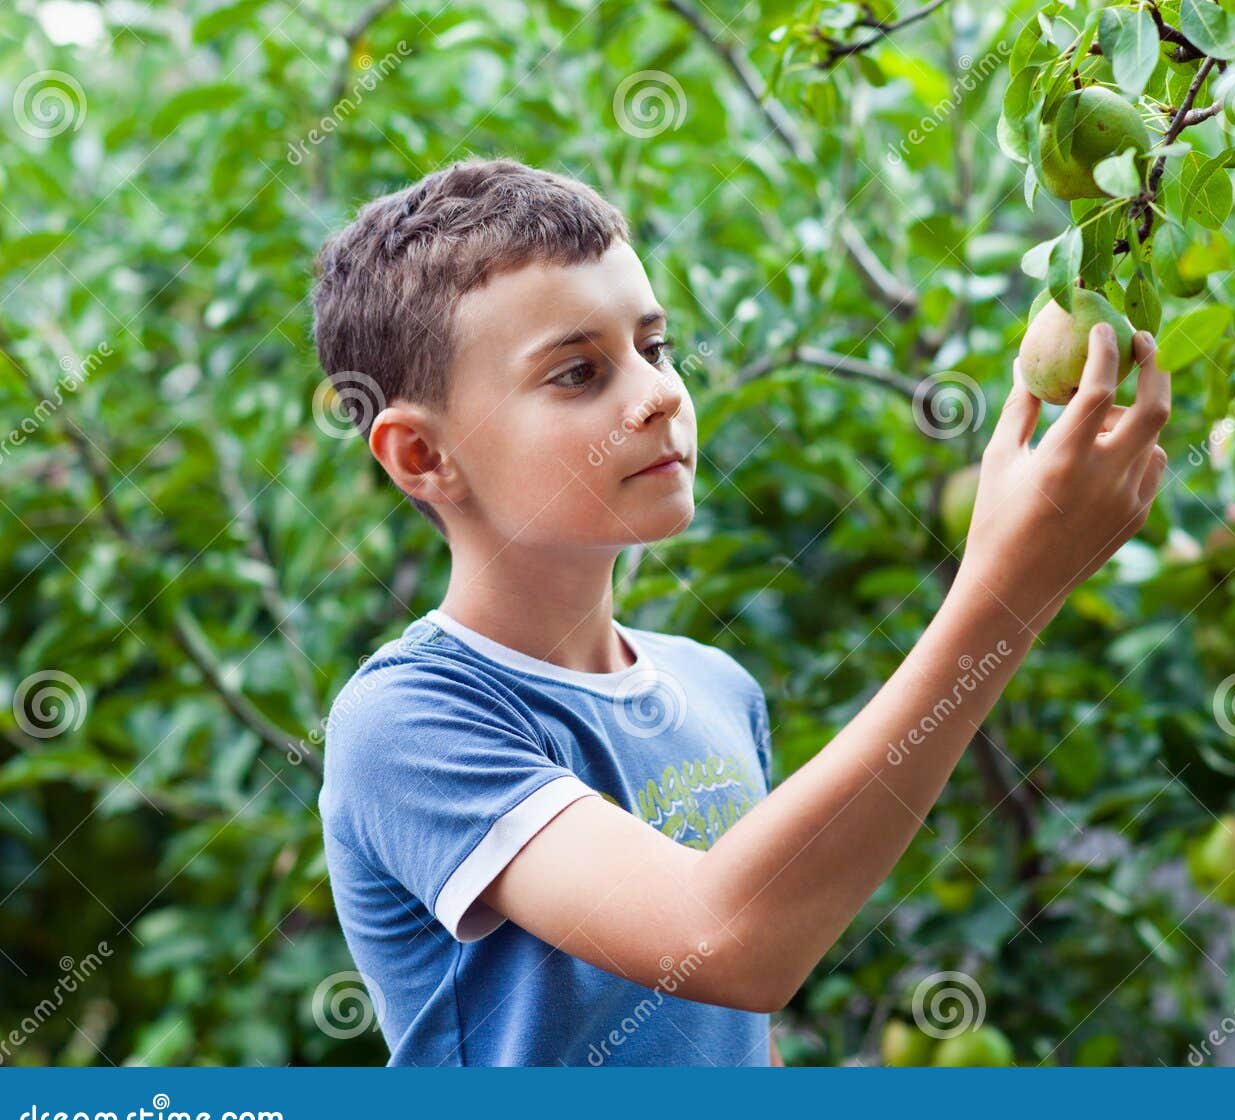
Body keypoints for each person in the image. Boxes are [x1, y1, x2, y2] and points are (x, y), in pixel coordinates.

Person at [311, 157, 1170, 1066]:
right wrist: (1009, 589)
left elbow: (737, 1027)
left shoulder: (712, 686)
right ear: (420, 454)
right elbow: (722, 943)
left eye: (656, 346)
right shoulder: (406, 722)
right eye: (576, 372)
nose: (658, 394)